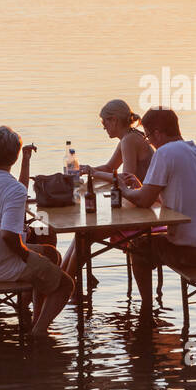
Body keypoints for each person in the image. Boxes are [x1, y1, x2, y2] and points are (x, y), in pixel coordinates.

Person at [117, 108, 196, 309]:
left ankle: (146, 309)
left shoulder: (164, 153)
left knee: (138, 248)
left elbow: (145, 201)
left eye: (148, 137)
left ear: (157, 133)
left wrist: (124, 190)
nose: (149, 143)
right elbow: (186, 195)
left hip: (195, 250)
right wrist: (142, 187)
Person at [0, 126, 74, 337]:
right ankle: (39, 333)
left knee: (51, 253)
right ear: (14, 158)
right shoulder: (14, 189)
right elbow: (8, 235)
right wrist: (28, 256)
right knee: (66, 284)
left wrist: (35, 256)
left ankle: (35, 316)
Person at [68, 99, 157, 283]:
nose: (103, 127)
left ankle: (66, 283)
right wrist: (87, 170)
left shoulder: (130, 140)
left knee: (84, 236)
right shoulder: (129, 137)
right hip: (139, 205)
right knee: (82, 235)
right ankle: (69, 279)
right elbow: (110, 168)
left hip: (145, 212)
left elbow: (126, 178)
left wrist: (93, 172)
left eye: (104, 122)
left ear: (114, 120)